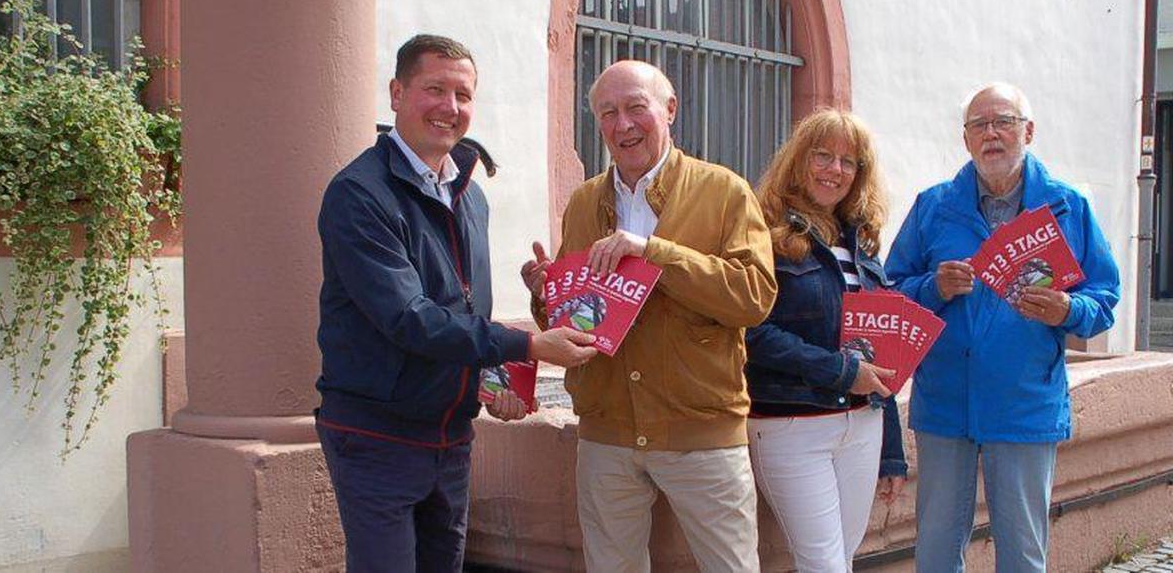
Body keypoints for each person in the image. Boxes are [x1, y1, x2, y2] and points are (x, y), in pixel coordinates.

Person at [315, 34, 598, 572]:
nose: (450, 108)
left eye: (463, 95)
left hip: (450, 433)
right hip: (378, 433)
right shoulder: (359, 193)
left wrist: (499, 382)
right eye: (434, 89)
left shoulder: (470, 194)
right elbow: (409, 318)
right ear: (397, 93)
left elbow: (464, 311)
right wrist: (530, 343)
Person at [520, 60, 778, 572]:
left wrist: (654, 253)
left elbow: (753, 296)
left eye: (637, 107)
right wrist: (547, 294)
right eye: (608, 112)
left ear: (670, 110)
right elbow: (580, 317)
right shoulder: (583, 202)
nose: (623, 124)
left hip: (700, 428)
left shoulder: (725, 192)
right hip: (606, 430)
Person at [885, 83, 1120, 572]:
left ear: (1028, 131)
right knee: (935, 547)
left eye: (1004, 122)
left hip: (1024, 403)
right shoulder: (932, 206)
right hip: (946, 402)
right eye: (979, 125)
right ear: (966, 139)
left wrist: (1068, 311)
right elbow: (892, 292)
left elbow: (1105, 296)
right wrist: (933, 286)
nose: (991, 134)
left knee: (1022, 551)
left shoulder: (1066, 207)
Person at [744, 109, 907, 572]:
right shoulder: (765, 235)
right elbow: (751, 333)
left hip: (862, 425)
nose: (835, 170)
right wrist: (841, 371)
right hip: (792, 424)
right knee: (824, 565)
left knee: (842, 559)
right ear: (798, 160)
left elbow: (880, 349)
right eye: (822, 156)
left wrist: (892, 451)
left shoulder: (863, 245)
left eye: (848, 162)